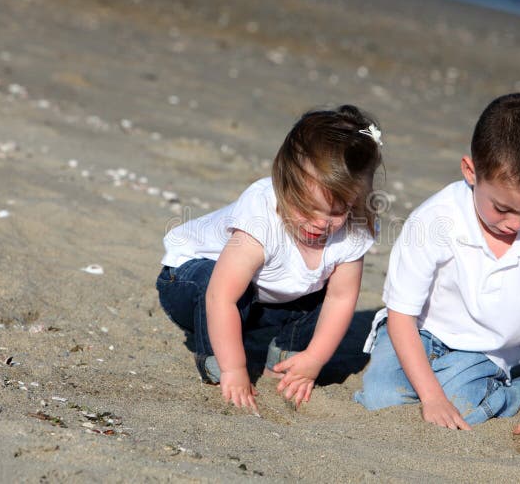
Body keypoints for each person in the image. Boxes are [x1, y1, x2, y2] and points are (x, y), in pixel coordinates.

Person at [354, 93, 520, 455]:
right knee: (381, 396)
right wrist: (430, 398)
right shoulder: (435, 221)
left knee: (459, 405)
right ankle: (448, 386)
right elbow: (401, 314)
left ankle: (516, 389)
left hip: (484, 350)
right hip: (419, 332)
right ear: (470, 171)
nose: (516, 224)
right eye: (503, 208)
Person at [157, 105, 383, 413]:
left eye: (336, 211)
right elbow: (220, 296)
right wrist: (235, 369)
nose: (320, 223)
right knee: (216, 283)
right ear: (283, 183)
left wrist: (315, 359)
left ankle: (289, 355)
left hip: (260, 295)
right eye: (306, 207)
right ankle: (215, 355)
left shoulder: (354, 228)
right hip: (190, 282)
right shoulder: (261, 215)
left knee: (324, 287)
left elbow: (341, 299)